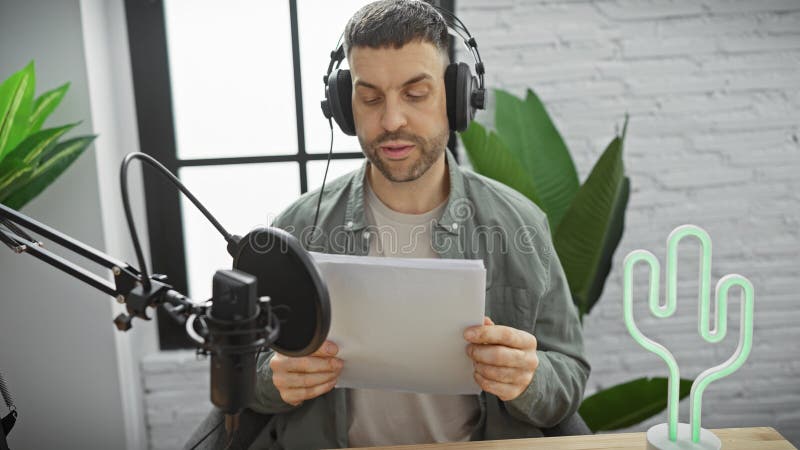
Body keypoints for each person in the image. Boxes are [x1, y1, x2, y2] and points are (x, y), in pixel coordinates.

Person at [188, 1, 589, 448]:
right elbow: (247, 368)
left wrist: (529, 379)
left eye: (416, 95)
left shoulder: (520, 225)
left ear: (457, 98)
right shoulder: (298, 226)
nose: (392, 120)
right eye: (370, 98)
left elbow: (569, 375)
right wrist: (271, 379)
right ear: (344, 104)